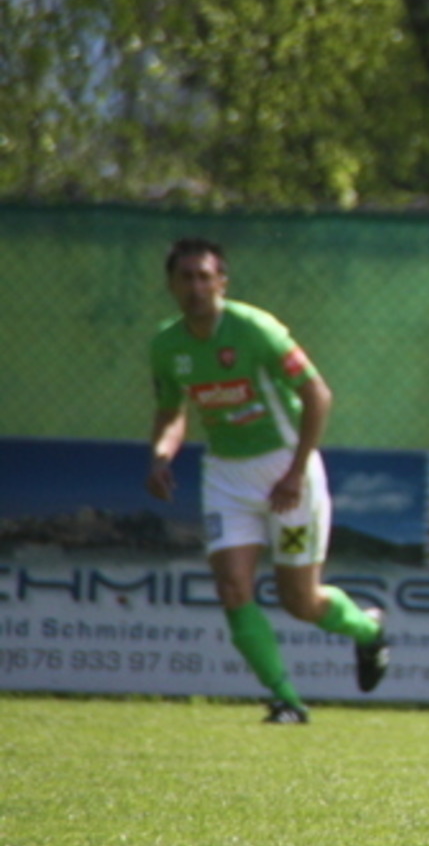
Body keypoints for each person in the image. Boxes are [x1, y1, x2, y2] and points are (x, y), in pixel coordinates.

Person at [146, 237, 390, 723]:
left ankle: (368, 632)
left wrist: (295, 472)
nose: (195, 287)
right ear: (171, 285)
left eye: (204, 276)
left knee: (300, 600)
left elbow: (317, 395)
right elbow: (172, 412)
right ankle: (286, 699)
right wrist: (160, 456)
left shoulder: (256, 330)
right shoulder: (166, 344)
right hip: (226, 478)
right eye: (185, 278)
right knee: (232, 587)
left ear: (222, 281)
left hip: (285, 470)